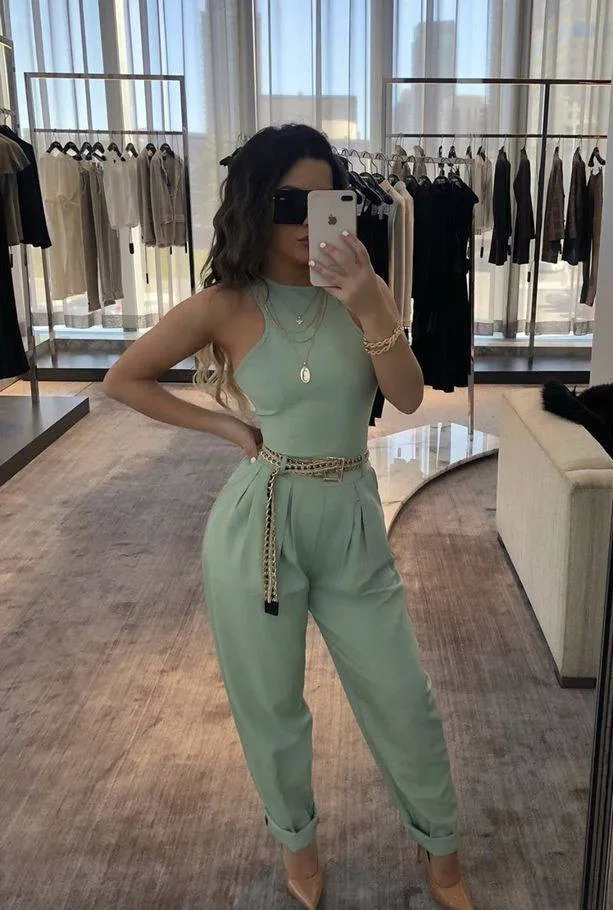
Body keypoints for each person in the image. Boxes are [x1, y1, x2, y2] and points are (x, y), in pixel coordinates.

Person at [103, 123, 473, 910]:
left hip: (351, 518)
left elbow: (407, 395)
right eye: (287, 203)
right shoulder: (224, 305)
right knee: (270, 704)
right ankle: (296, 844)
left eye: (324, 201)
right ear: (253, 206)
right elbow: (124, 378)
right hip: (259, 524)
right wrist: (226, 428)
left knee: (400, 696)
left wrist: (370, 302)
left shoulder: (364, 291)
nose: (308, 220)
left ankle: (441, 848)